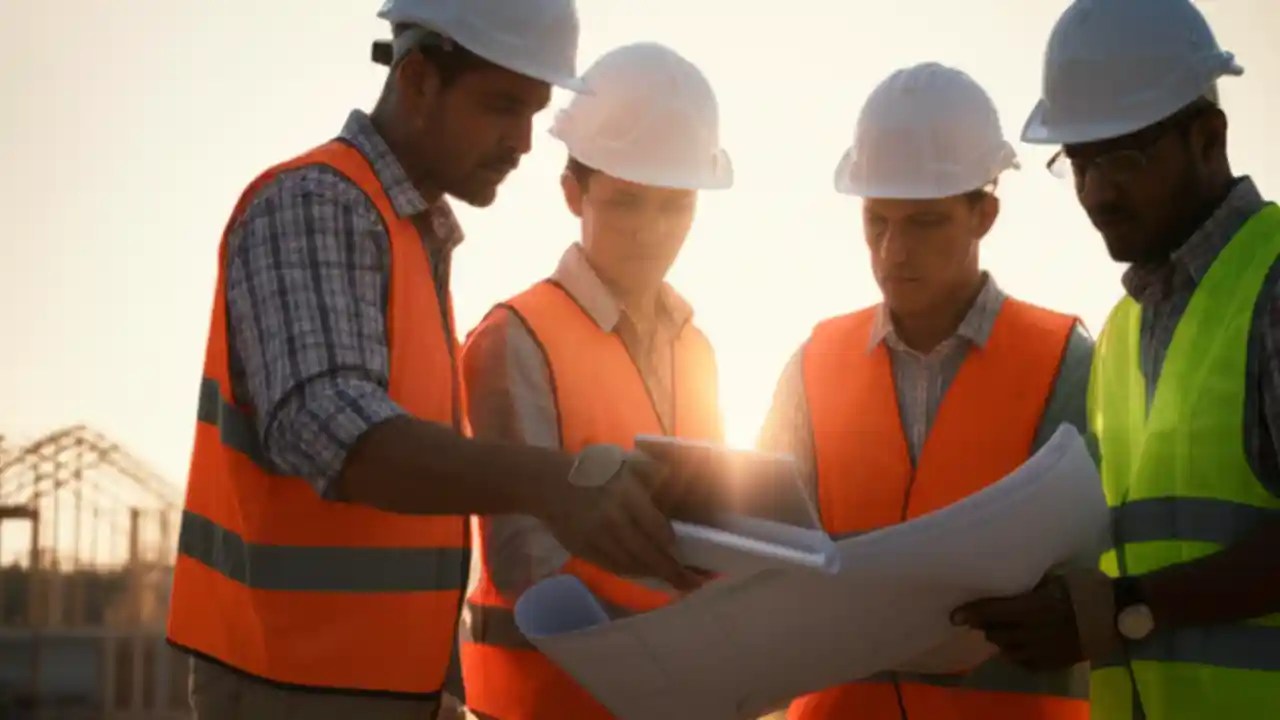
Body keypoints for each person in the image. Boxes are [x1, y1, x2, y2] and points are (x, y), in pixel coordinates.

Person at [165, 3, 704, 718]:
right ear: (418, 78)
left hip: (380, 686)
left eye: (534, 112)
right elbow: (341, 437)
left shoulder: (407, 237)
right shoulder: (316, 203)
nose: (522, 142)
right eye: (501, 107)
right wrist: (556, 484)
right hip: (291, 684)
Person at [954, 1, 1280, 718]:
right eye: (1080, 162)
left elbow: (1132, 596)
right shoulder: (1123, 331)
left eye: (1124, 157)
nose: (1097, 191)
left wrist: (1125, 608)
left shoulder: (1274, 281)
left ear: (1209, 137)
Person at [756, 62, 1095, 720]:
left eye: (924, 223)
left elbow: (1098, 569)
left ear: (984, 215)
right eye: (877, 221)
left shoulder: (1067, 364)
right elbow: (765, 557)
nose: (893, 251)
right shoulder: (812, 365)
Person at [456, 41, 733, 720]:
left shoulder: (695, 350)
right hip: (546, 706)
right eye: (627, 204)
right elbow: (528, 561)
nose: (651, 232)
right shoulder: (515, 338)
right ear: (573, 192)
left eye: (674, 207)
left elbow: (719, 532)